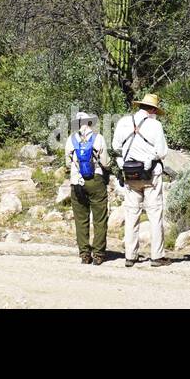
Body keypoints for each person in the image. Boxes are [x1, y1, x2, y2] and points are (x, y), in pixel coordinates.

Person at [112, 93, 170, 267]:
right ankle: (157, 256)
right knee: (155, 215)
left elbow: (116, 147)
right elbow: (162, 152)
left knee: (131, 215)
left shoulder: (123, 122)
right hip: (151, 175)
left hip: (130, 174)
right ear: (152, 109)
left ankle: (130, 256)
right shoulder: (155, 125)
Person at [65, 111, 111, 265]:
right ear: (89, 123)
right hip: (95, 179)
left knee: (81, 219)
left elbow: (67, 163)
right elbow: (105, 162)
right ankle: (98, 254)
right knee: (99, 218)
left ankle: (85, 254)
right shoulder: (98, 138)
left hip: (76, 181)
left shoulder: (70, 140)